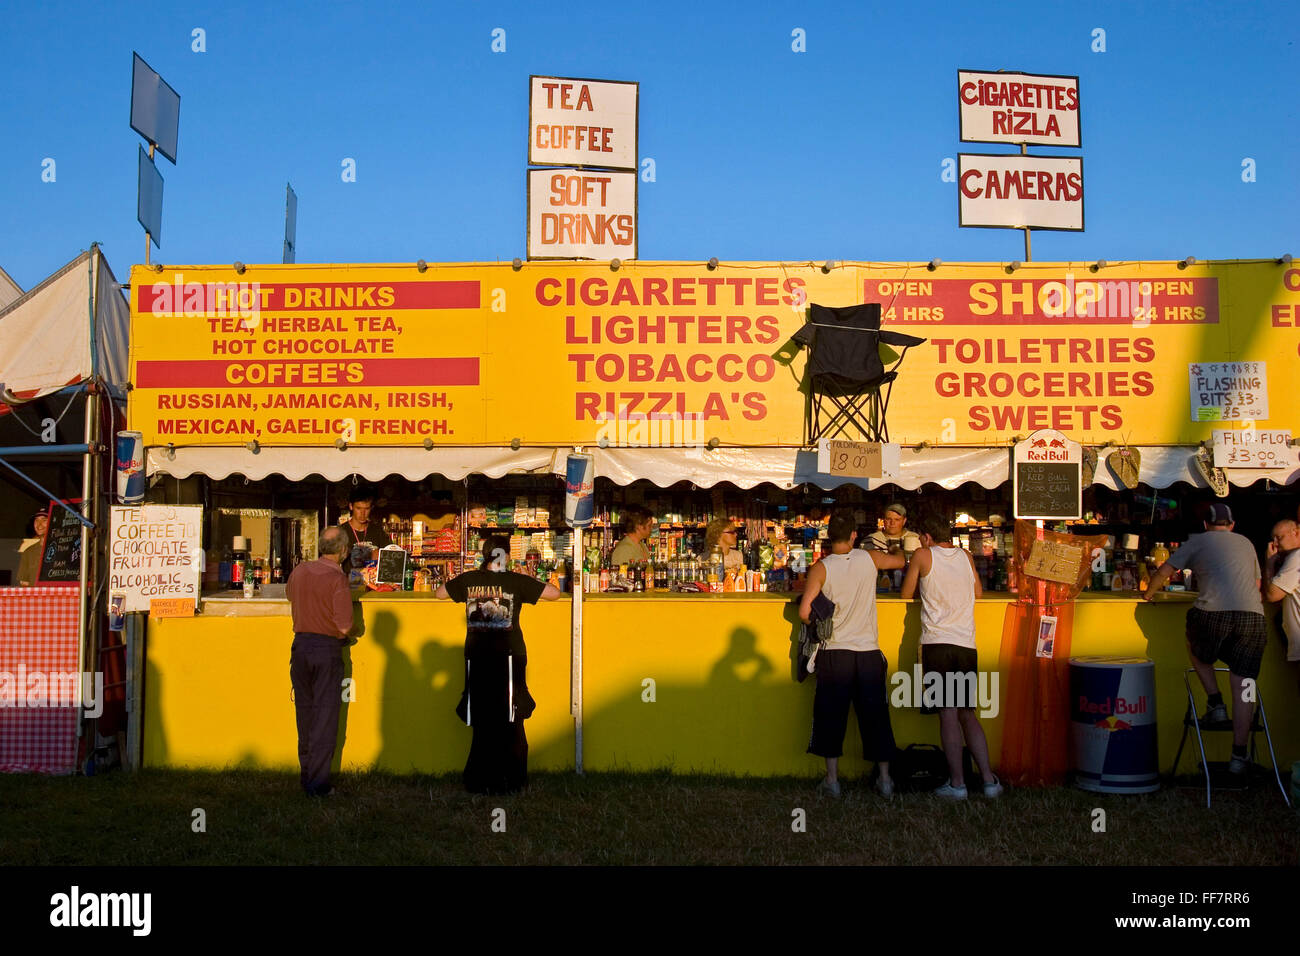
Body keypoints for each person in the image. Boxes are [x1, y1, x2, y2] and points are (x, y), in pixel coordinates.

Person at [1146, 503, 1265, 775]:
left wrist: (1148, 593)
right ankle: (1239, 756)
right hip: (1253, 618)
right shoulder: (1246, 543)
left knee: (1196, 645)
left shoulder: (1197, 541)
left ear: (1205, 525)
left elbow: (1164, 572)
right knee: (1245, 684)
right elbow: (1257, 585)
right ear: (1232, 525)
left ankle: (1215, 702)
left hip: (1211, 616)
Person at [436, 535, 561, 794]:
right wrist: (530, 576)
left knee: (482, 718)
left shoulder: (469, 579)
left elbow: (439, 593)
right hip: (509, 659)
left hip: (477, 658)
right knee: (510, 717)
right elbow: (554, 594)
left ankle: (479, 779)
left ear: (485, 556)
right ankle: (510, 779)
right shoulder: (516, 581)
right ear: (506, 556)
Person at [799, 511, 907, 797]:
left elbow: (804, 612)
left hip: (835, 653)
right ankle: (885, 779)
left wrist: (821, 618)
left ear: (828, 537)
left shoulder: (821, 568)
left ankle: (832, 780)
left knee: (830, 717)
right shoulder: (868, 557)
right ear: (853, 536)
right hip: (868, 652)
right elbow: (899, 561)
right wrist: (895, 546)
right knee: (876, 717)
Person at [900, 513, 1002, 799]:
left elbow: (905, 593)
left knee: (947, 713)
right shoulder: (965, 556)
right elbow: (978, 592)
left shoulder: (922, 555)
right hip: (966, 644)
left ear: (927, 537)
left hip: (937, 644)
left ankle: (957, 784)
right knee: (967, 713)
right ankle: (989, 781)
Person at [286, 526, 356, 797]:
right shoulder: (337, 579)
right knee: (325, 718)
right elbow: (344, 626)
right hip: (326, 650)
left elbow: (290, 596)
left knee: (305, 715)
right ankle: (318, 784)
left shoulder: (300, 571)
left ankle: (306, 774)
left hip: (300, 648)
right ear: (343, 550)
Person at [1262, 518, 1300, 693]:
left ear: (1295, 533)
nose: (1274, 544)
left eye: (1279, 537)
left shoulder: (1296, 558)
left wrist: (1269, 563)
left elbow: (1272, 595)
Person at [341, 485, 392, 574]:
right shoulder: (341, 532)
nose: (362, 513)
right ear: (351, 506)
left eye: (367, 509)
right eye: (358, 508)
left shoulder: (377, 530)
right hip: (350, 580)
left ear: (371, 508)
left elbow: (391, 557)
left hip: (373, 580)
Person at [16, 510, 49, 586]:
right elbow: (24, 582)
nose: (39, 524)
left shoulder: (62, 549)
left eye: (44, 520)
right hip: (35, 594)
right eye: (36, 520)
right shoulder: (28, 551)